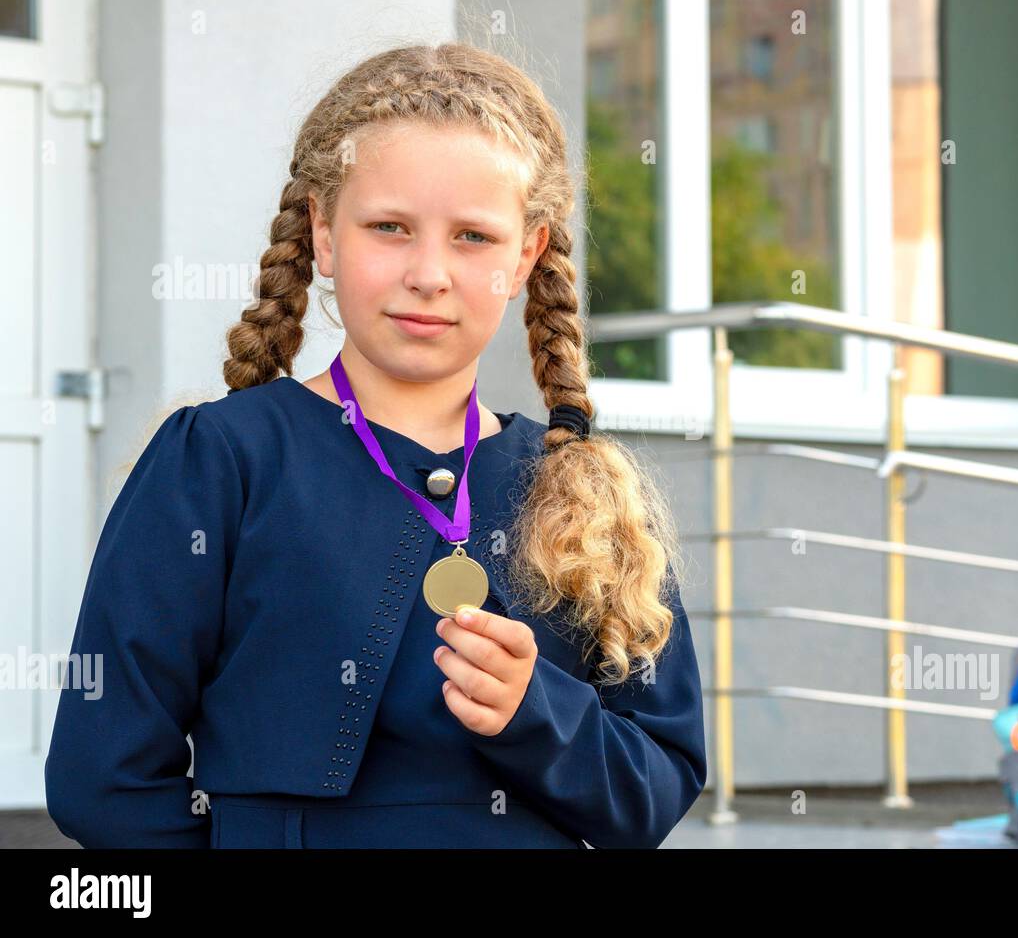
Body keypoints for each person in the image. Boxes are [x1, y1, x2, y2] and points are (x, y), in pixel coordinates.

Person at [44, 42, 707, 849]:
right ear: (323, 234)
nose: (429, 273)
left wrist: (539, 712)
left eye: (473, 237)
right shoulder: (219, 460)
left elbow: (656, 786)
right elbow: (102, 778)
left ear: (525, 256)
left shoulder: (582, 492)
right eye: (389, 227)